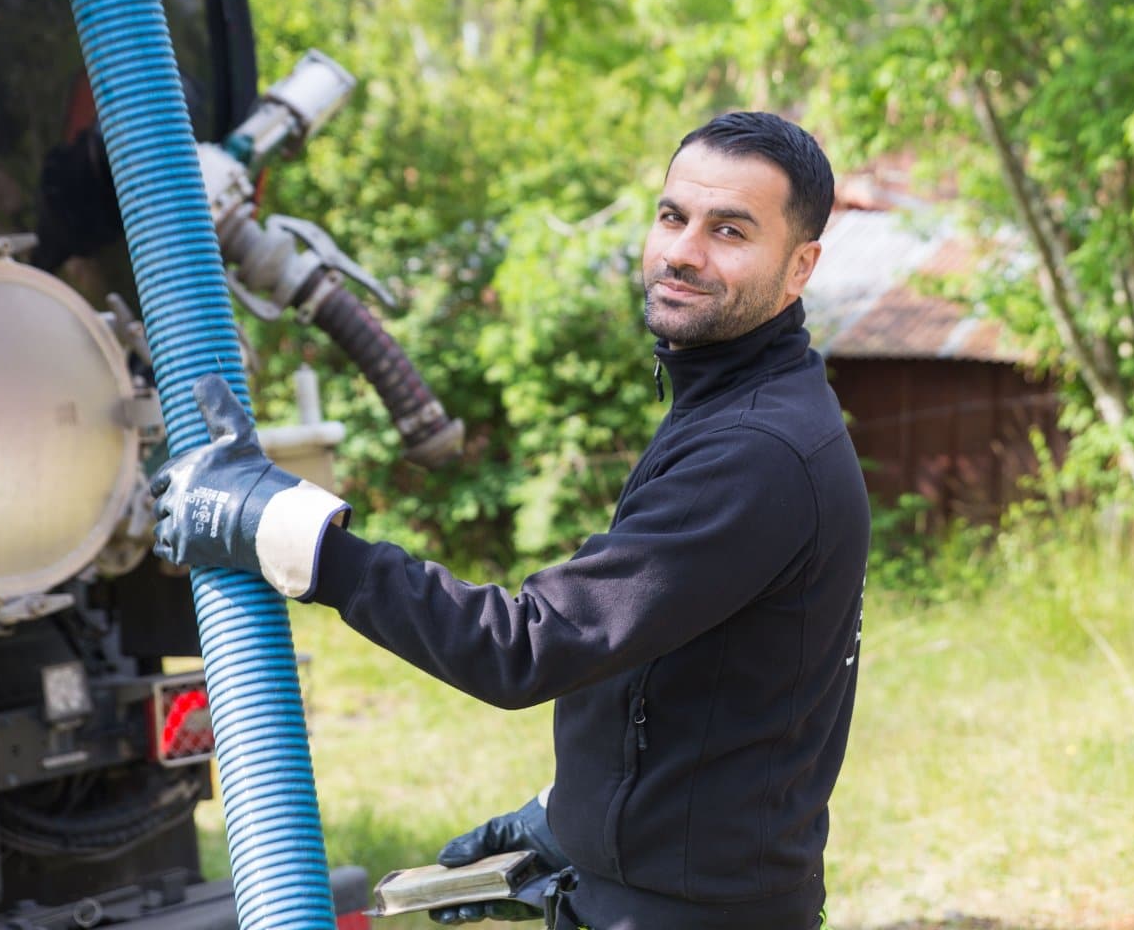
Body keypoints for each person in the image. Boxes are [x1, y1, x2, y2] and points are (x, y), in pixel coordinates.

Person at [152, 111, 871, 930]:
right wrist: (563, 823)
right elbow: (671, 666)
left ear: (800, 266)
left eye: (729, 231)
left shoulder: (758, 450)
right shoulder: (731, 400)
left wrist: (288, 530)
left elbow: (529, 646)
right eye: (673, 217)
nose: (682, 252)